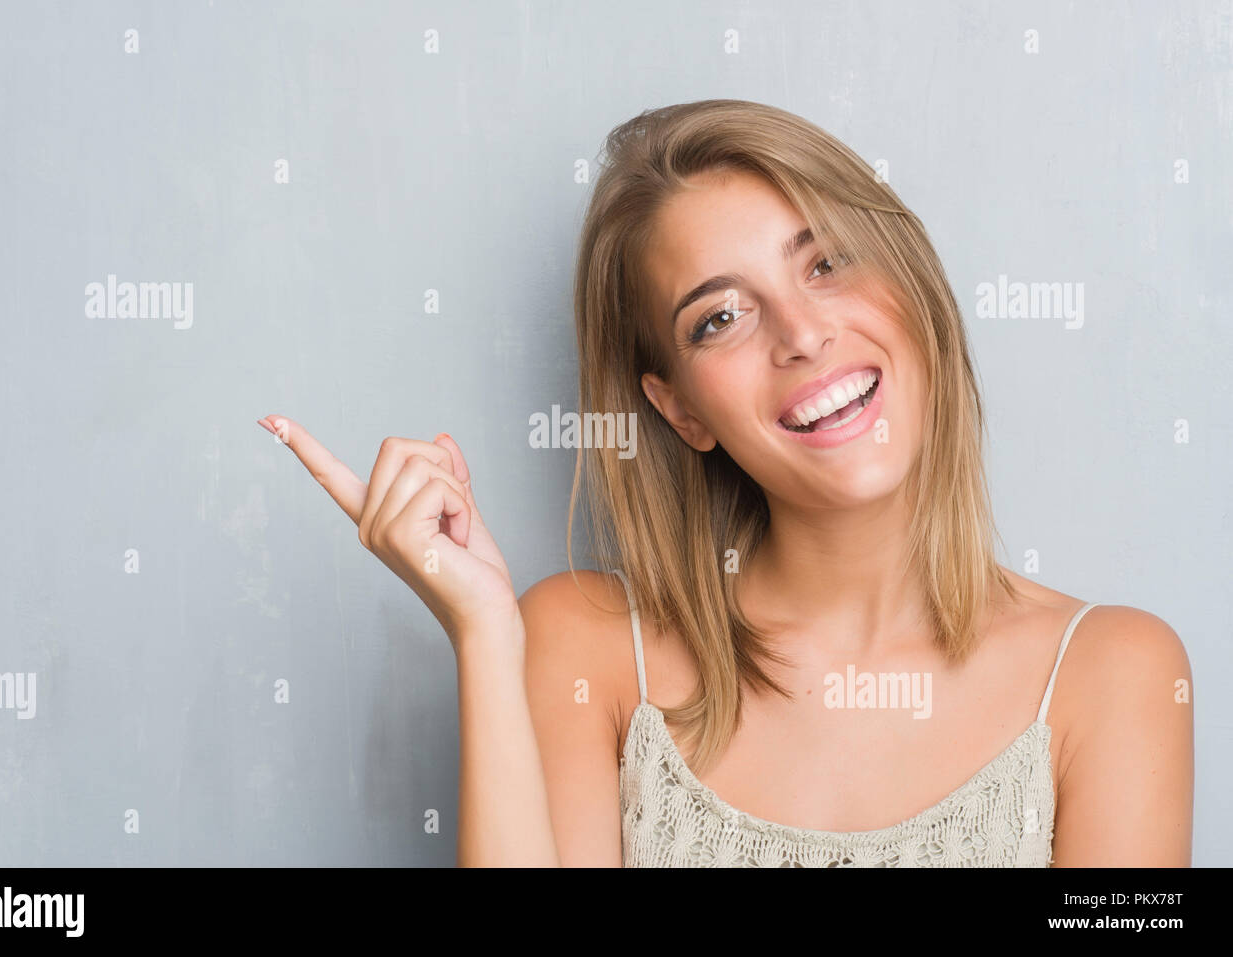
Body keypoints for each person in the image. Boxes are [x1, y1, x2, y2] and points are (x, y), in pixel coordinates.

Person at [257, 99, 1193, 867]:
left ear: (910, 287)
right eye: (720, 319)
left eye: (826, 262)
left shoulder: (1115, 675)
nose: (801, 334)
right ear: (679, 412)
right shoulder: (580, 650)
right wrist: (485, 635)